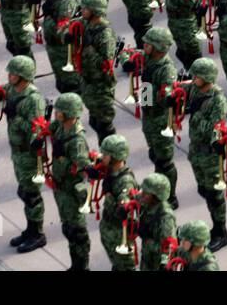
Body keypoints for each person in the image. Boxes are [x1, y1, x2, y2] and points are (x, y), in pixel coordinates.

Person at [184, 58, 227, 251]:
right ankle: (215, 223)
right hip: (196, 150)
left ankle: (221, 231)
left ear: (207, 78)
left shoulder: (217, 101)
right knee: (203, 190)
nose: (194, 78)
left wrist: (195, 117)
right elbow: (182, 88)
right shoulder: (196, 89)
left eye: (197, 76)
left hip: (210, 155)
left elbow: (215, 129)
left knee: (214, 195)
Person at [48, 92, 93, 270]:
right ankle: (75, 265)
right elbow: (50, 128)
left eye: (59, 111)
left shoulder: (77, 141)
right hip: (61, 188)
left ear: (68, 113)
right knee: (67, 228)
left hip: (71, 191)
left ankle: (82, 266)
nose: (56, 113)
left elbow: (81, 169)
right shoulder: (61, 126)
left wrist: (62, 160)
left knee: (77, 232)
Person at [137, 27, 180, 197]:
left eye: (148, 43)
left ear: (157, 47)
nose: (144, 45)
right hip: (148, 112)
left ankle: (170, 196)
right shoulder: (148, 58)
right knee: (154, 154)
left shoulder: (166, 69)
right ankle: (159, 187)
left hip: (161, 118)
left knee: (165, 162)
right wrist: (130, 60)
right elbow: (132, 54)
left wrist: (165, 94)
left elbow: (168, 92)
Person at [76, 0, 118, 140]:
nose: (82, 11)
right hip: (88, 80)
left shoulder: (104, 34)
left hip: (100, 84)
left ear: (95, 10)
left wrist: (89, 48)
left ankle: (111, 154)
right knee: (94, 121)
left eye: (86, 8)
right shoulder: (86, 23)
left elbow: (105, 64)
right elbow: (72, 27)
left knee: (104, 125)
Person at [95, 135, 139, 271]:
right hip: (109, 228)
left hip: (119, 232)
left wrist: (112, 197)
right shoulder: (111, 170)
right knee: (117, 264)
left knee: (125, 267)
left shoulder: (125, 181)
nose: (103, 157)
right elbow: (95, 162)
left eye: (106, 154)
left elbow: (124, 206)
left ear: (115, 157)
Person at [136, 174, 178, 271]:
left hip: (157, 263)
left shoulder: (165, 218)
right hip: (147, 257)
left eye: (147, 192)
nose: (142, 194)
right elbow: (133, 195)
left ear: (156, 196)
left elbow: (169, 248)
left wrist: (147, 240)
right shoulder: (147, 200)